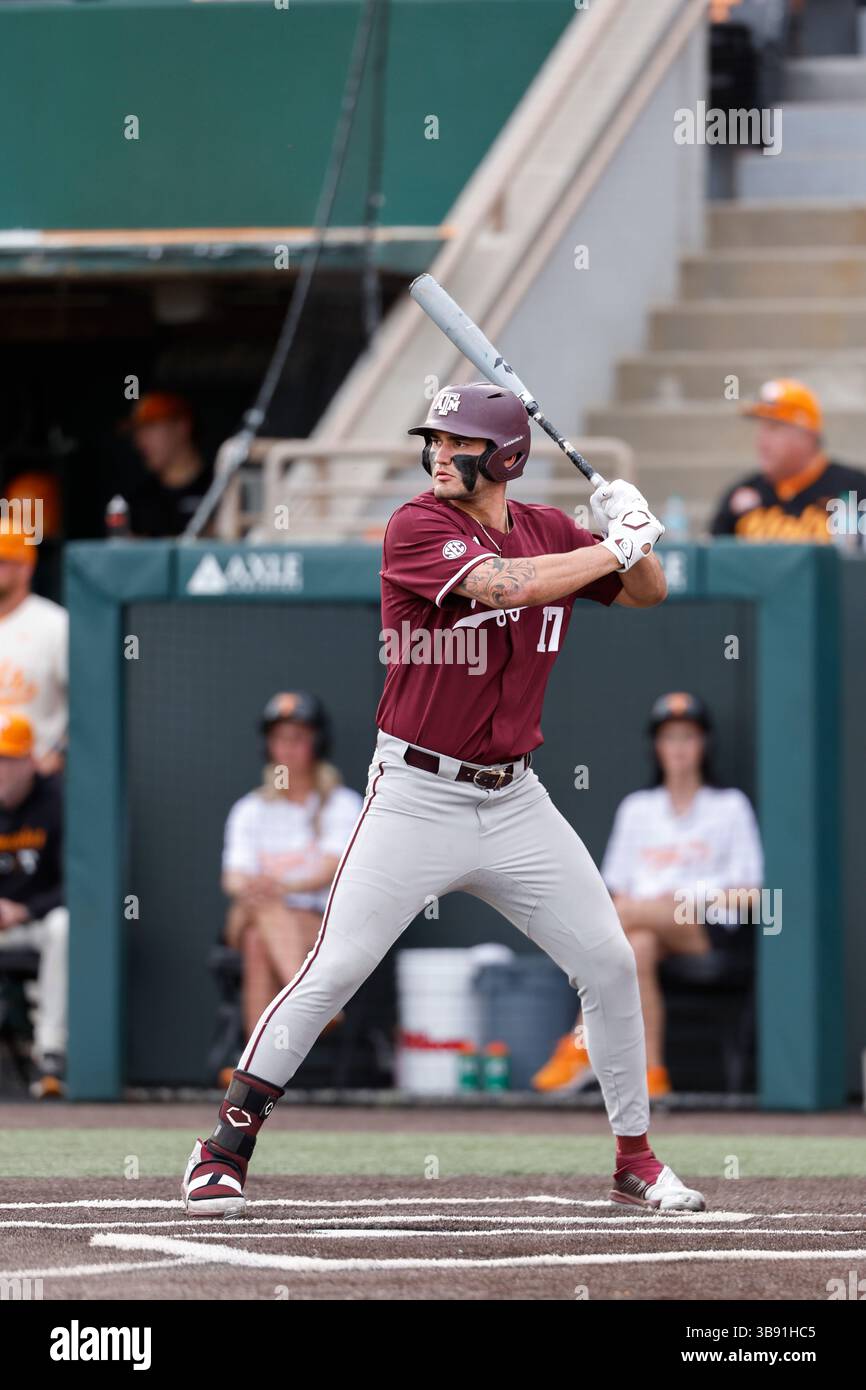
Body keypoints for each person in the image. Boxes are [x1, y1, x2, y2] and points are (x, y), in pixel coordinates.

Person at [182, 381, 708, 1220]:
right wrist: (616, 546)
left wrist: (631, 530)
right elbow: (507, 587)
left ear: (503, 457)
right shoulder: (416, 526)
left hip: (515, 798)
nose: (438, 454)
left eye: (457, 443)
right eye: (435, 440)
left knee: (609, 961)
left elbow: (650, 594)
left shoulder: (549, 528)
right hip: (417, 794)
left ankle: (634, 1160)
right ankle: (222, 1149)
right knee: (338, 966)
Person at [532, 692, 764, 1098]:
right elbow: (616, 888)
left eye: (687, 737)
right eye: (669, 737)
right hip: (642, 929)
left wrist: (689, 896)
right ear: (657, 746)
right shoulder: (637, 809)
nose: (678, 747)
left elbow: (752, 895)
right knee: (636, 944)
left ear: (703, 744)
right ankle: (653, 1075)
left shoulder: (730, 806)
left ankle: (582, 1041)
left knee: (620, 920)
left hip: (704, 927)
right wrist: (650, 908)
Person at [220, 692, 363, 1065]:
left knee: (256, 940)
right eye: (279, 739)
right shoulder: (251, 808)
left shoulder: (341, 803)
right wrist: (261, 889)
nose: (287, 749)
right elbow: (232, 878)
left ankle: (255, 1069)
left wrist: (280, 886)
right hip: (253, 909)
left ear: (317, 743)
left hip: (319, 924)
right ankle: (318, 1005)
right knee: (260, 915)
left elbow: (333, 867)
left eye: (298, 738)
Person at [0, 712, 67, 1098]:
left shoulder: (56, 800)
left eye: (9, 760)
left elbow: (82, 884)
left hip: (35, 920)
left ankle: (50, 1055)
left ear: (30, 761)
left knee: (65, 925)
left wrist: (25, 911)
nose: (2, 770)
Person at [710, 378, 866, 543]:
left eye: (773, 428)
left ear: (807, 435)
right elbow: (714, 557)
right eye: (761, 428)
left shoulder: (854, 488)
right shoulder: (742, 492)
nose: (762, 441)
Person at [0, 523, 67, 775]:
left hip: (35, 779)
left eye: (2, 561)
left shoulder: (55, 625)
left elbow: (89, 703)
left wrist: (60, 755)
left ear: (26, 567)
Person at [125, 393, 213, 538]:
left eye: (150, 427)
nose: (140, 441)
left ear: (182, 427)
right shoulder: (138, 501)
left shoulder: (220, 487)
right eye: (137, 431)